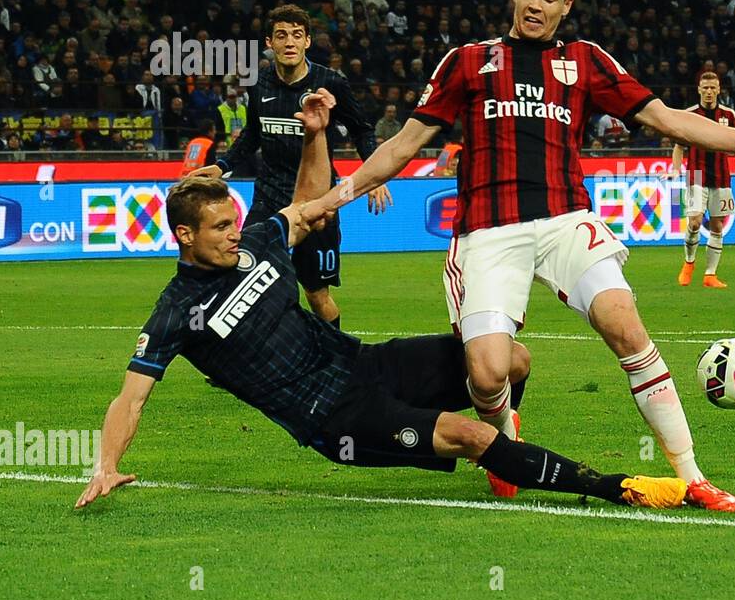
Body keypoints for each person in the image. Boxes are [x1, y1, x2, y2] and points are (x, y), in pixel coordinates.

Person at [302, 0, 735, 510]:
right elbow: (402, 146)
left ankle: (692, 476)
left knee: (626, 326)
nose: (535, 6)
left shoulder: (586, 61)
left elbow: (670, 120)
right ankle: (505, 448)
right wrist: (332, 199)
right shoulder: (468, 61)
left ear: (566, 5)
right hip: (488, 231)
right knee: (490, 372)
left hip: (567, 219)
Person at [76, 89, 685, 512]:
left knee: (509, 361)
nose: (235, 232)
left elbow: (312, 205)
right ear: (184, 237)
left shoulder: (258, 240)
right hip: (333, 419)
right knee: (469, 436)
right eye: (219, 229)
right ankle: (617, 486)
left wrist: (317, 135)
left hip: (363, 365)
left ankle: (508, 456)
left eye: (233, 222)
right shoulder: (176, 311)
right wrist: (106, 464)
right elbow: (131, 397)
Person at [190, 4, 393, 329]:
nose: (289, 42)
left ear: (307, 42)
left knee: (316, 294)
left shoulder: (331, 82)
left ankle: (334, 357)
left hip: (317, 205)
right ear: (269, 42)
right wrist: (222, 165)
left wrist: (375, 174)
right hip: (268, 200)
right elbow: (253, 134)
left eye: (297, 35)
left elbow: (362, 130)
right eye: (281, 35)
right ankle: (251, 362)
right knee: (241, 278)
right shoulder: (259, 84)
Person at [670, 70, 735, 288]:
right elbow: (679, 146)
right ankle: (689, 263)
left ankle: (710, 275)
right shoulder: (689, 115)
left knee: (717, 226)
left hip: (721, 176)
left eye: (713, 88)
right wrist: (676, 169)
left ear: (719, 90)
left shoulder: (729, 115)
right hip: (696, 174)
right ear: (699, 90)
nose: (709, 92)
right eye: (705, 88)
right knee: (695, 220)